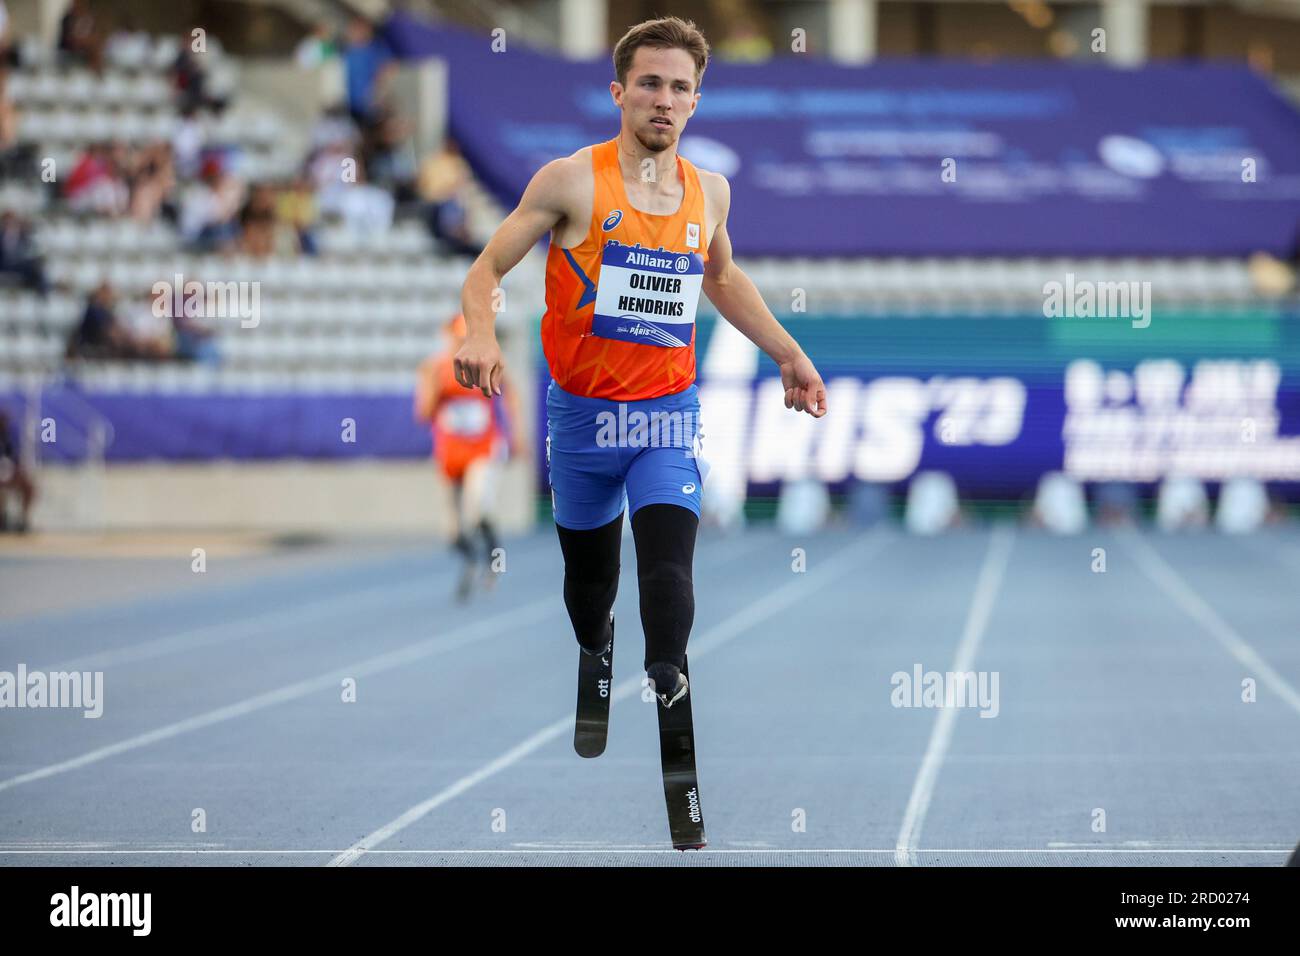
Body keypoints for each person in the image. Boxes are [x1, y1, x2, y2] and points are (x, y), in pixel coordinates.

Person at [453, 17, 827, 707]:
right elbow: (486, 270)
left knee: (666, 570)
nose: (664, 98)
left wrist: (790, 354)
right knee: (589, 594)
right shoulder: (571, 182)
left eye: (679, 87)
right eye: (650, 83)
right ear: (619, 92)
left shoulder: (709, 191)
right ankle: (598, 642)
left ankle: (668, 674)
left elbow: (722, 278)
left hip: (665, 415)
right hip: (583, 421)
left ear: (695, 102)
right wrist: (479, 333)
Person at [415, 314, 526, 601]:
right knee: (452, 533)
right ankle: (472, 557)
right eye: (458, 339)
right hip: (450, 454)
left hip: (483, 448)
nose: (462, 345)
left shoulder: (484, 363)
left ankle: (493, 559)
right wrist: (437, 389)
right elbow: (423, 414)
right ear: (449, 338)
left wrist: (515, 433)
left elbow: (511, 392)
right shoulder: (434, 368)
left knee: (478, 507)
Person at [0, 409, 34, 533]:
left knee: (29, 487)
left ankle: (23, 520)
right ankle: (2, 519)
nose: (4, 423)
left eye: (5, 421)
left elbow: (15, 458)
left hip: (9, 472)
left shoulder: (10, 437)